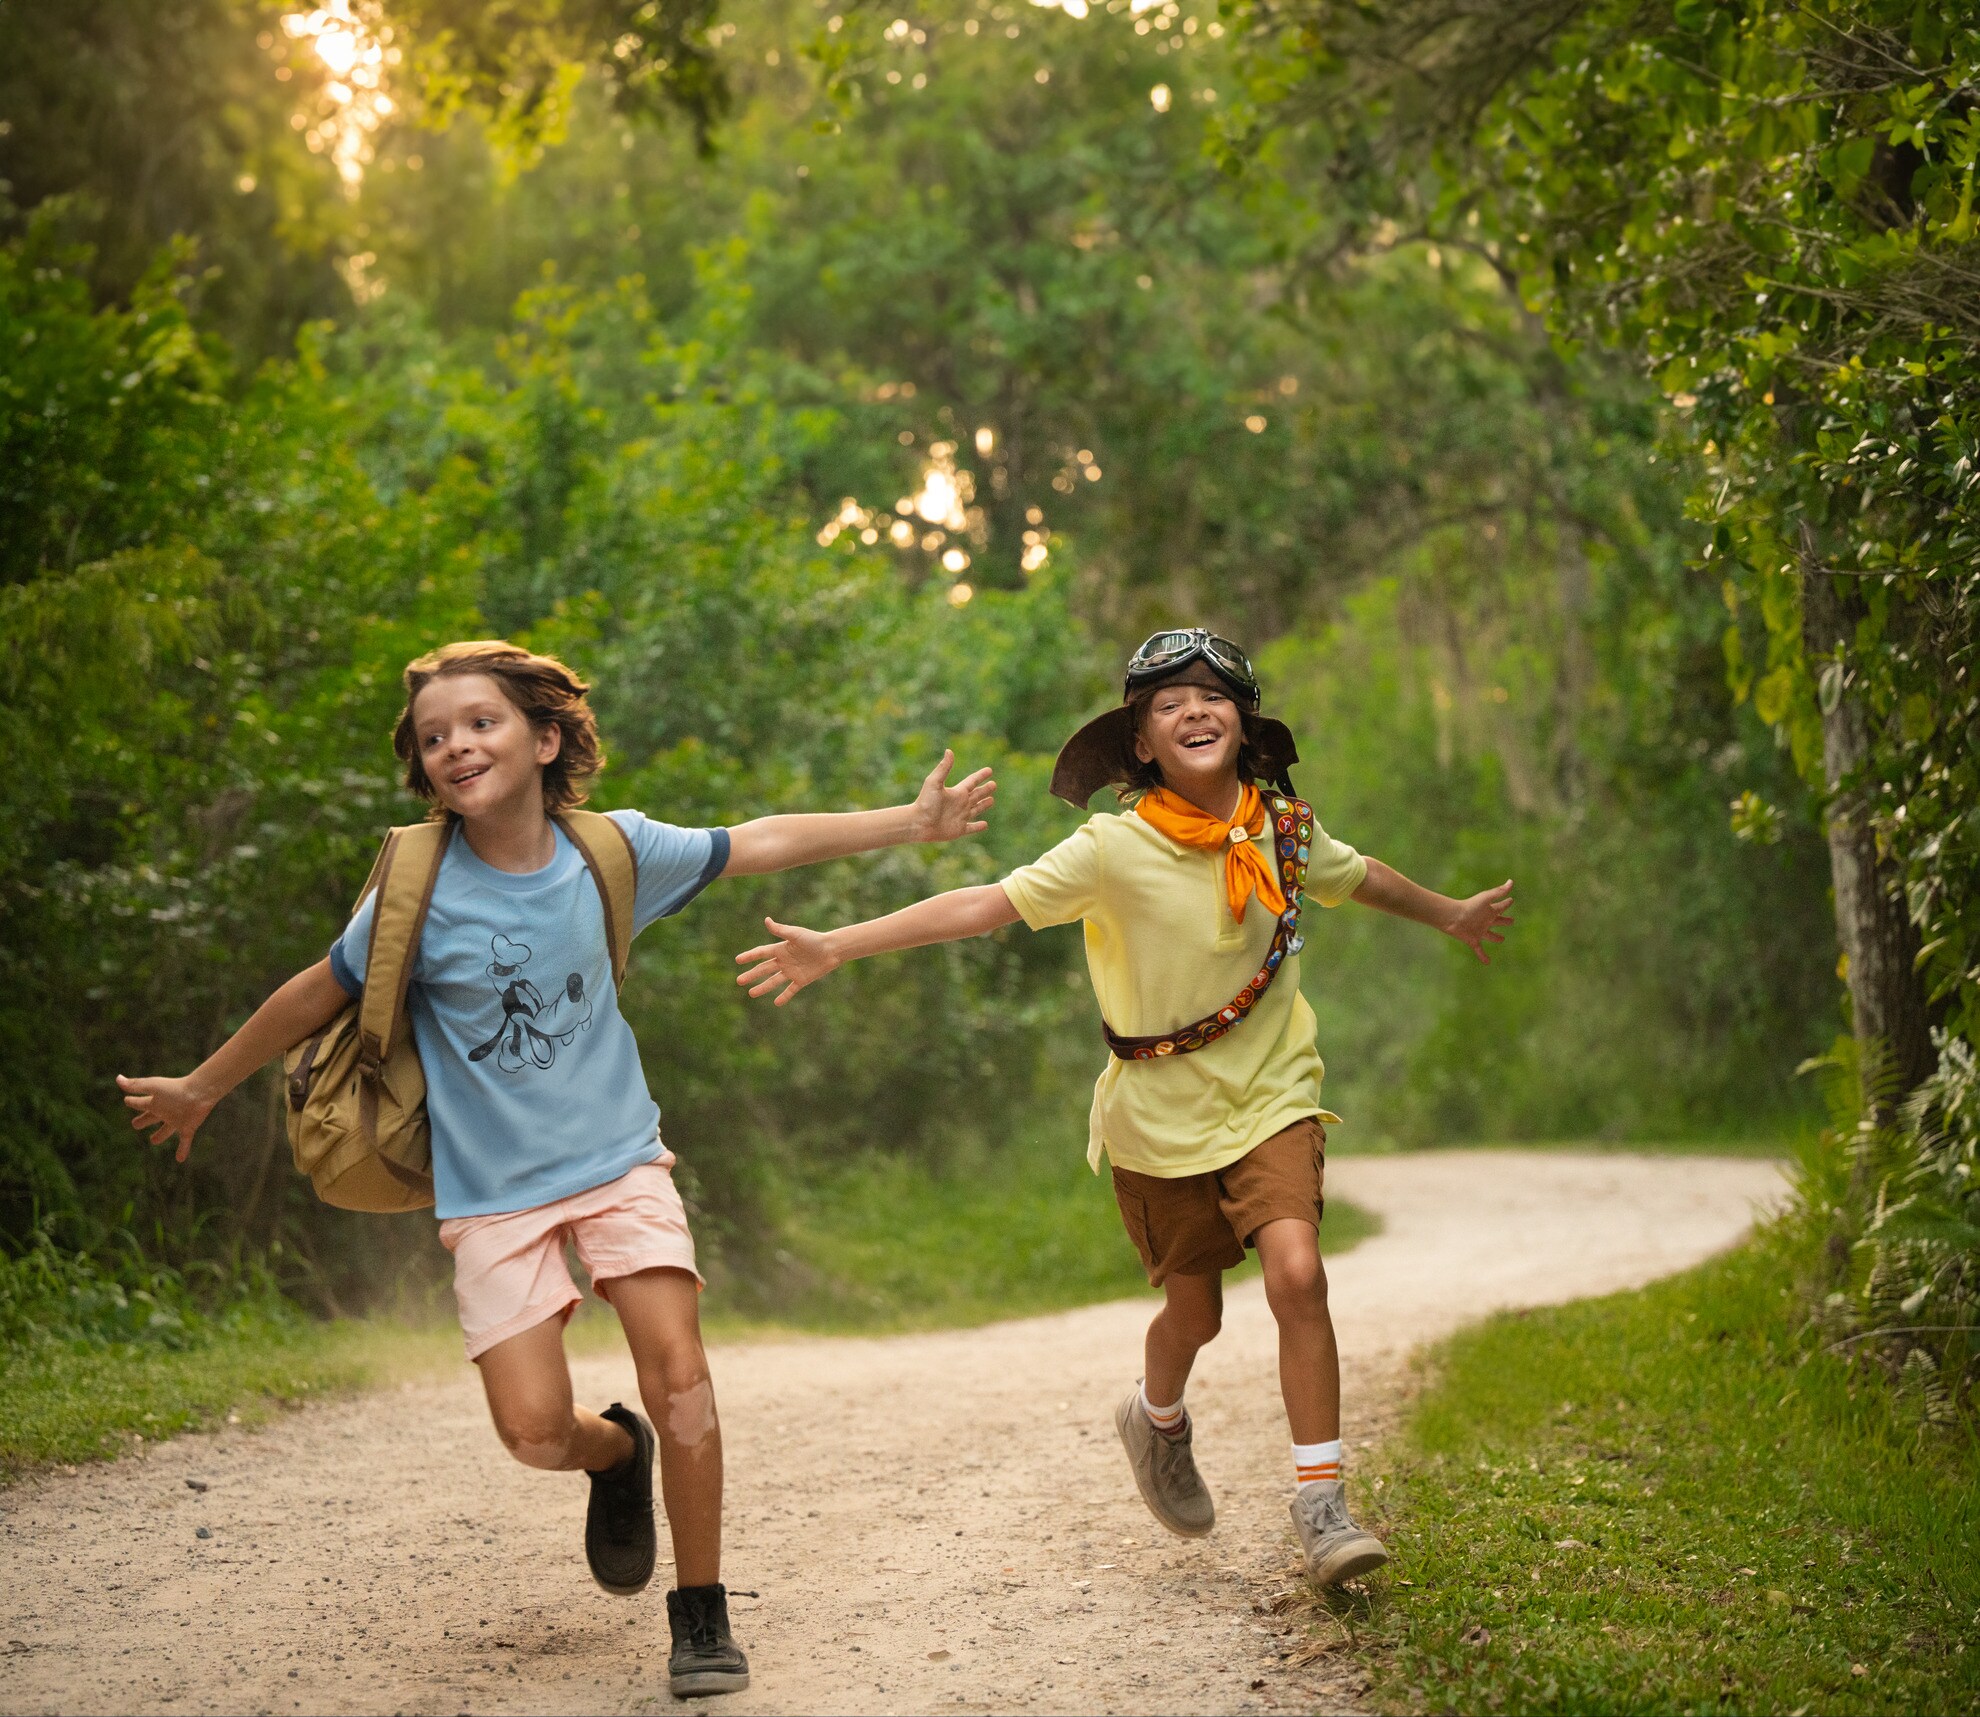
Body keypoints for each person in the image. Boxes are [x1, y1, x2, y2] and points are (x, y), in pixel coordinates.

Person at [116, 639, 996, 1696]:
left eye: (479, 723)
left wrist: (910, 822)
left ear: (542, 738)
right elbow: (320, 988)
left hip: (619, 1158)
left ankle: (702, 1614)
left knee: (681, 1370)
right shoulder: (417, 887)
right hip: (493, 1193)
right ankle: (615, 1458)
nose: (456, 746)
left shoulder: (610, 851)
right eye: (434, 736)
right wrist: (204, 1086)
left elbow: (755, 841)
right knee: (533, 1430)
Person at [733, 628, 1512, 1586]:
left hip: (1273, 1093)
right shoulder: (1111, 847)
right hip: (1157, 1117)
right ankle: (1157, 1419)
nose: (1194, 710)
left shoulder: (1285, 829)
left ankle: (1321, 1502)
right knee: (1195, 1315)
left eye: (1214, 695)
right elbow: (981, 904)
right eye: (1168, 701)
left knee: (1297, 1273)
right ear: (1141, 741)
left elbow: (1363, 876)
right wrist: (837, 945)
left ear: (1245, 722)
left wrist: (1450, 912)